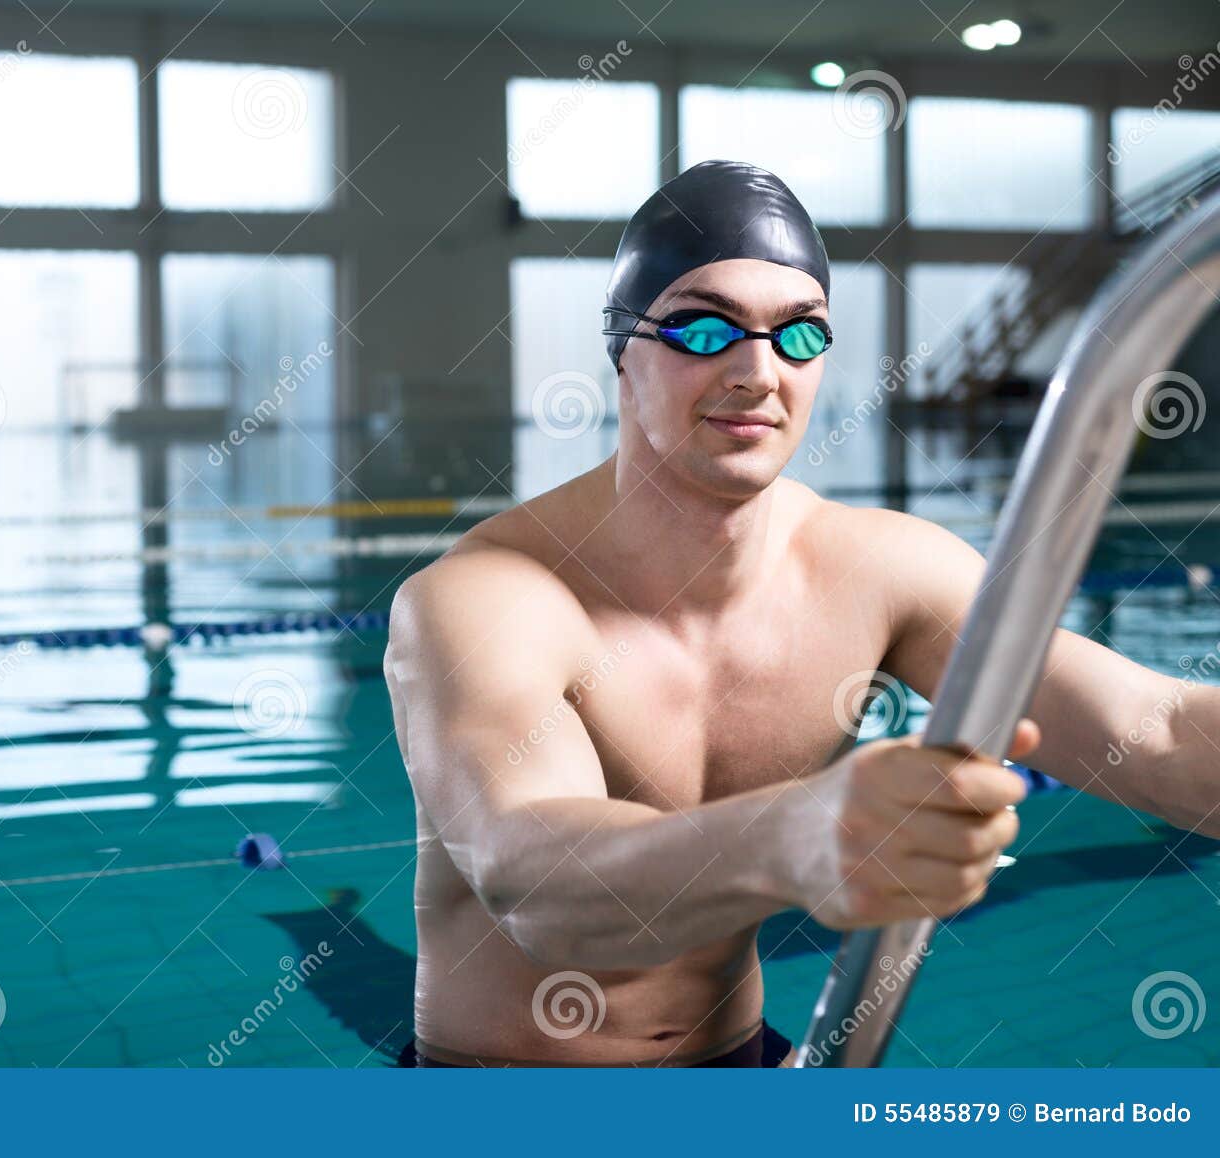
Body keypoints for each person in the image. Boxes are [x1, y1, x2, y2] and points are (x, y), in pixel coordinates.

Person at [383, 160, 1220, 1068]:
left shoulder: (880, 568)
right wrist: (790, 834)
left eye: (799, 333)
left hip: (745, 1064)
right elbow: (530, 880)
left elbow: (1159, 736)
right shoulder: (483, 598)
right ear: (624, 350)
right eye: (704, 329)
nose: (757, 371)